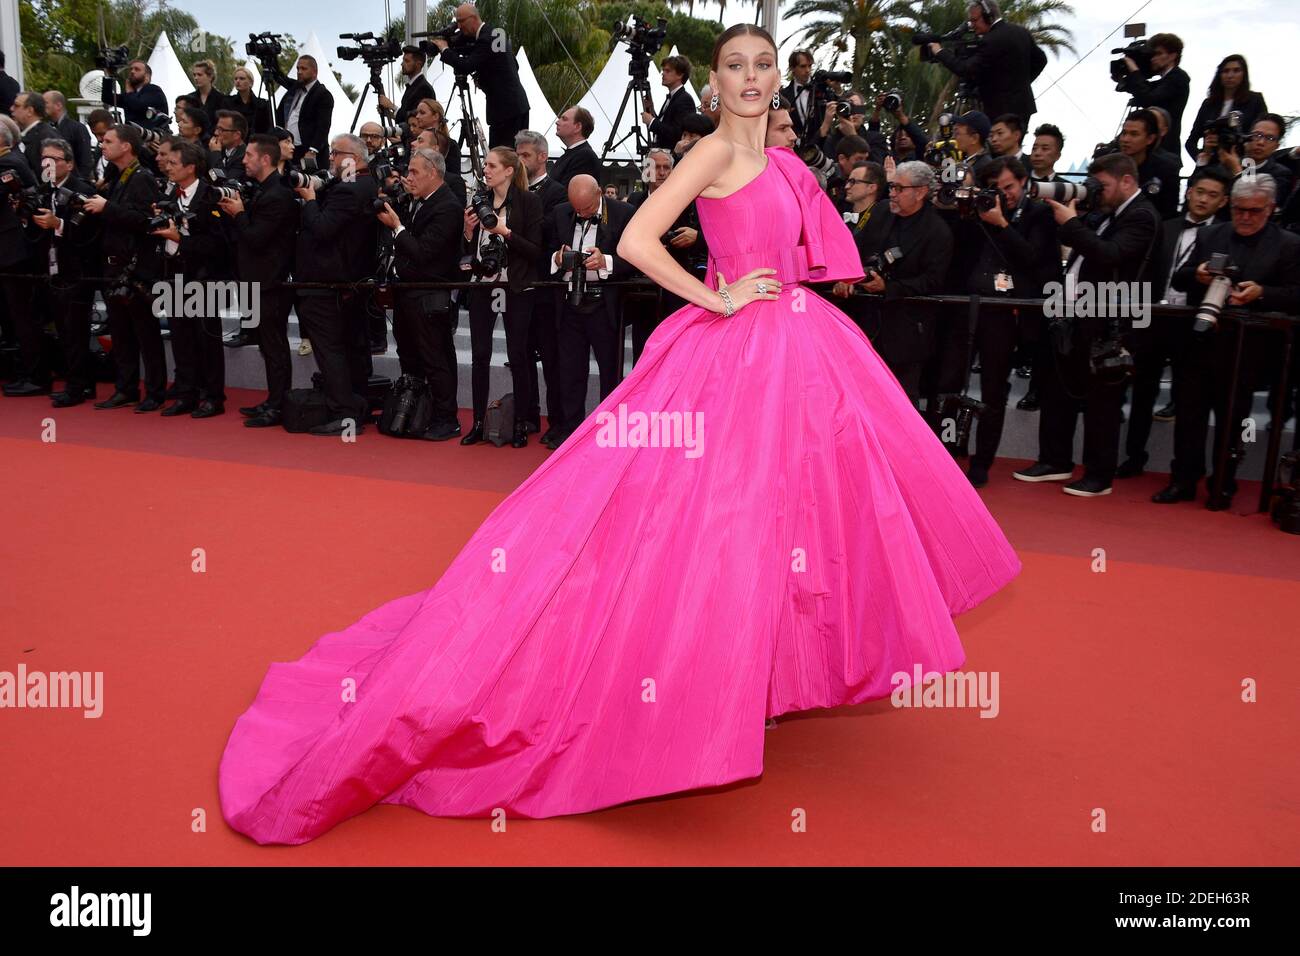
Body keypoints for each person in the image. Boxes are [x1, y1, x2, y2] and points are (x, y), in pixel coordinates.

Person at [218, 24, 1019, 845]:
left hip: (802, 357)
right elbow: (636, 242)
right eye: (736, 66)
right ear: (714, 80)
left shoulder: (787, 160)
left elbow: (818, 255)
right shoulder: (710, 154)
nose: (751, 78)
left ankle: (756, 679)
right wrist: (718, 297)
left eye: (763, 66)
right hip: (736, 357)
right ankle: (680, 683)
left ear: (779, 76)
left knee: (795, 521)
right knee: (710, 525)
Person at [1015, 152, 1160, 497]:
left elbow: (1109, 254)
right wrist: (1072, 213)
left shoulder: (1142, 216)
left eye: (1104, 186)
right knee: (1058, 389)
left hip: (1112, 324)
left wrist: (1071, 222)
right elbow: (1073, 241)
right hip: (1077, 317)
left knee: (1102, 404)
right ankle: (1055, 460)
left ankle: (1099, 475)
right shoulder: (1108, 213)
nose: (1099, 192)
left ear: (1127, 181)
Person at [1160, 174, 1300, 509]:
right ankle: (1183, 480)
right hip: (1200, 343)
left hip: (1249, 351)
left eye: (1254, 211)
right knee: (1189, 417)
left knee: (1232, 420)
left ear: (1271, 209)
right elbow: (1178, 278)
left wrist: (1262, 293)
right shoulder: (1211, 234)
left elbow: (1297, 295)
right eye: (1239, 210)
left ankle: (1223, 484)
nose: (1245, 217)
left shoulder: (1289, 244)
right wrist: (1198, 274)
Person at [1118, 167, 1231, 478]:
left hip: (1195, 326)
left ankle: (1184, 474)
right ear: (1188, 192)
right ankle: (1133, 458)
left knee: (1189, 402)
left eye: (1212, 195)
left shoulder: (1226, 234)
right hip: (1153, 320)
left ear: (1223, 201)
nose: (1203, 199)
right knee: (1142, 394)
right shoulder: (1164, 227)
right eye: (1199, 192)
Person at [375, 147, 464, 441]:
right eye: (408, 172)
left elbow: (424, 253)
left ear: (433, 173)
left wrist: (397, 228)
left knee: (436, 359)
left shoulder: (448, 206)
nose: (408, 178)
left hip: (431, 297)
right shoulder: (418, 202)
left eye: (414, 172)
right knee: (409, 356)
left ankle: (446, 418)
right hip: (408, 293)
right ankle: (412, 411)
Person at [460, 146, 543, 447]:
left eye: (492, 165)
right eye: (485, 165)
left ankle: (521, 422)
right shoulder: (478, 199)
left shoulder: (529, 202)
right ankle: (479, 423)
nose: (486, 170)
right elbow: (466, 253)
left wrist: (505, 232)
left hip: (517, 287)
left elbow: (536, 252)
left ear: (509, 170)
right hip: (484, 285)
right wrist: (469, 234)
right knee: (479, 356)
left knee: (518, 356)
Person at [545, 174, 636, 447]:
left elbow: (636, 257)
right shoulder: (561, 212)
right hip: (569, 303)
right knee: (570, 370)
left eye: (585, 209)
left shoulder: (623, 213)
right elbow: (544, 250)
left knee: (610, 370)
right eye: (576, 208)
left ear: (599, 193)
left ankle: (608, 430)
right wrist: (557, 259)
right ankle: (570, 431)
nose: (580, 213)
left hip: (603, 304)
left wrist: (605, 261)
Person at [219, 133, 300, 427]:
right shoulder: (266, 190)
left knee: (274, 346)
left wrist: (239, 214)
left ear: (265, 159)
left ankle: (279, 405)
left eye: (249, 156)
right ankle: (273, 399)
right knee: (268, 346)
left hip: (271, 283)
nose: (243, 160)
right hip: (258, 280)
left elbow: (256, 238)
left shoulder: (277, 194)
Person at [928, 1, 1046, 128]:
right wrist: (1020, 84)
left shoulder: (991, 39)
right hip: (1023, 107)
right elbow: (1041, 60)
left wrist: (939, 51)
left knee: (996, 146)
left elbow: (965, 69)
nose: (972, 26)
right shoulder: (1021, 32)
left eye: (974, 20)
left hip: (999, 111)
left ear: (988, 16)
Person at [429, 3, 529, 148]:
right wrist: (484, 77)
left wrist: (444, 49)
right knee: (513, 156)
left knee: (503, 157)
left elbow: (466, 65)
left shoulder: (485, 38)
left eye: (461, 21)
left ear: (473, 18)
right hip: (517, 106)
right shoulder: (496, 32)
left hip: (505, 111)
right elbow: (510, 64)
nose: (459, 27)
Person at [1184, 55, 1267, 164]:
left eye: (1236, 71)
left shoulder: (1255, 101)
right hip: (1210, 167)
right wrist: (1202, 158)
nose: (1230, 75)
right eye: (1225, 71)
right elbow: (1191, 142)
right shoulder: (1209, 104)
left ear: (1244, 74)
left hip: (1242, 164)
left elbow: (1261, 133)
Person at [1118, 33, 1189, 157]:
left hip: (1165, 149)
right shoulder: (1164, 80)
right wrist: (1123, 78)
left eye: (1158, 54)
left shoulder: (1178, 77)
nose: (1153, 59)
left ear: (1172, 56)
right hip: (1153, 148)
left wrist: (1134, 70)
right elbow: (1142, 90)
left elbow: (1148, 98)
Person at [272, 54, 334, 162]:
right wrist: (271, 59)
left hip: (308, 151)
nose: (299, 72)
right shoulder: (295, 87)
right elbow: (280, 77)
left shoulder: (323, 94)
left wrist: (313, 150)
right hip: (289, 148)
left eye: (304, 69)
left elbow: (323, 126)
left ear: (314, 72)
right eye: (298, 68)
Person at [643, 54, 695, 152]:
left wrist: (652, 122)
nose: (663, 73)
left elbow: (677, 133)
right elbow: (665, 125)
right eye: (663, 70)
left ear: (680, 75)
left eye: (667, 71)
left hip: (671, 158)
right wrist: (651, 110)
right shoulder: (674, 97)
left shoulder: (684, 100)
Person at [43, 91, 94, 180]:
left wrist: (80, 182)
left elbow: (85, 160)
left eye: (45, 103)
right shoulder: (45, 128)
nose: (42, 106)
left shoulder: (77, 128)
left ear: (58, 105)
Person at [104, 60, 168, 131]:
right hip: (133, 136)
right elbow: (107, 97)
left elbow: (139, 105)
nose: (132, 72)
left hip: (152, 138)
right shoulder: (131, 94)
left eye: (137, 69)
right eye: (131, 69)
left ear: (147, 76)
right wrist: (108, 76)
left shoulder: (154, 90)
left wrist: (129, 93)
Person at [379, 46, 435, 127]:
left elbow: (416, 119)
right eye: (403, 60)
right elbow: (406, 116)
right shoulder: (413, 85)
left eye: (407, 61)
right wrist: (389, 114)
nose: (402, 64)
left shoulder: (424, 88)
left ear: (418, 64)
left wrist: (391, 106)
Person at [550, 107, 599, 186]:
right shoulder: (571, 154)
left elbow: (565, 193)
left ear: (577, 127)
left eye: (564, 119)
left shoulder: (585, 157)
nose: (557, 122)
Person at [228, 67, 273, 135]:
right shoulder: (228, 102)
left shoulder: (262, 104)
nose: (238, 81)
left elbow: (268, 129)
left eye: (242, 78)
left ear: (250, 82)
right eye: (236, 78)